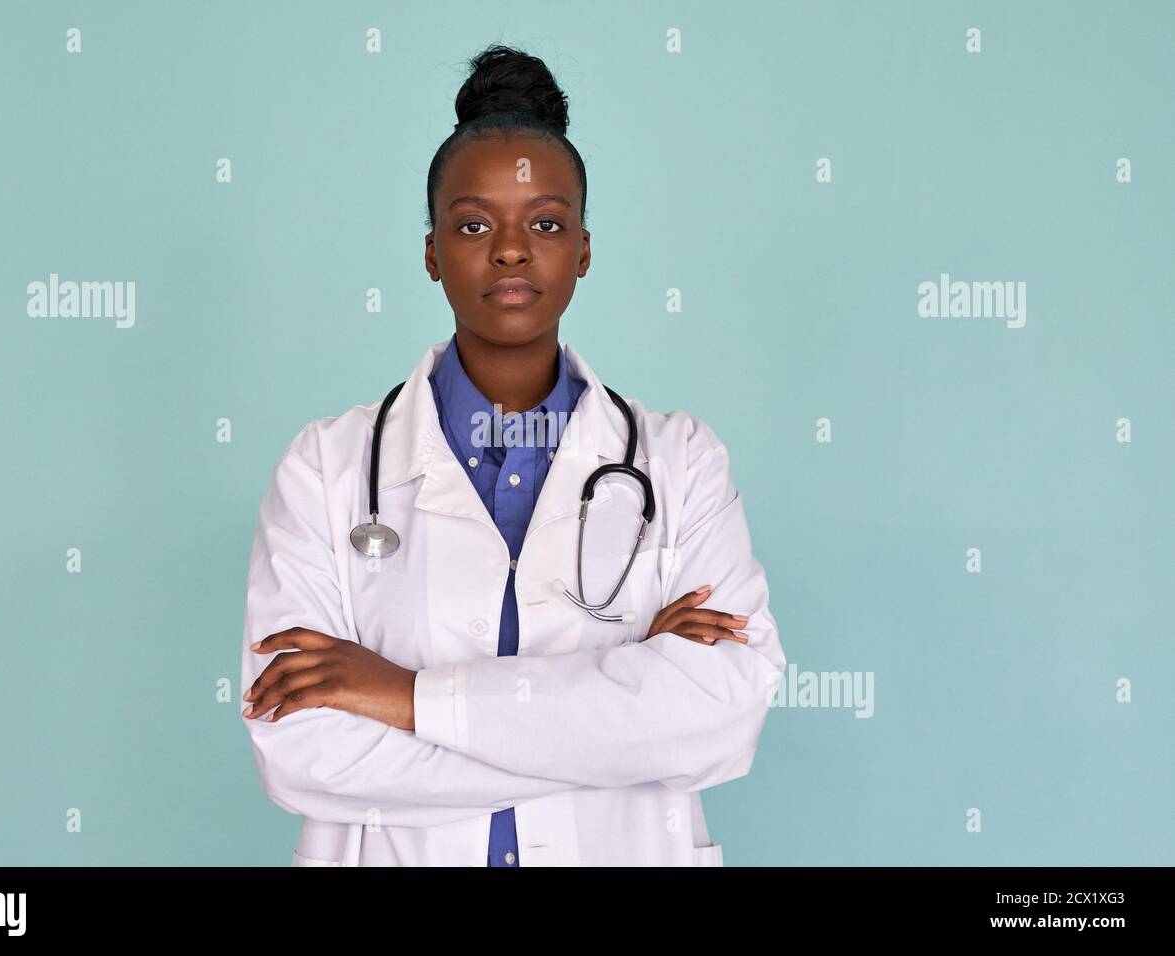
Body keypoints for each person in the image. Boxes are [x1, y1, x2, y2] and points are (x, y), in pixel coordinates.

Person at [238, 43, 785, 867]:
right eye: (472, 224)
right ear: (431, 253)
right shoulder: (326, 469)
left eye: (546, 222)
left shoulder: (682, 463)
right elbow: (301, 750)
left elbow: (721, 719)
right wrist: (614, 726)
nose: (510, 249)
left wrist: (402, 696)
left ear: (584, 250)